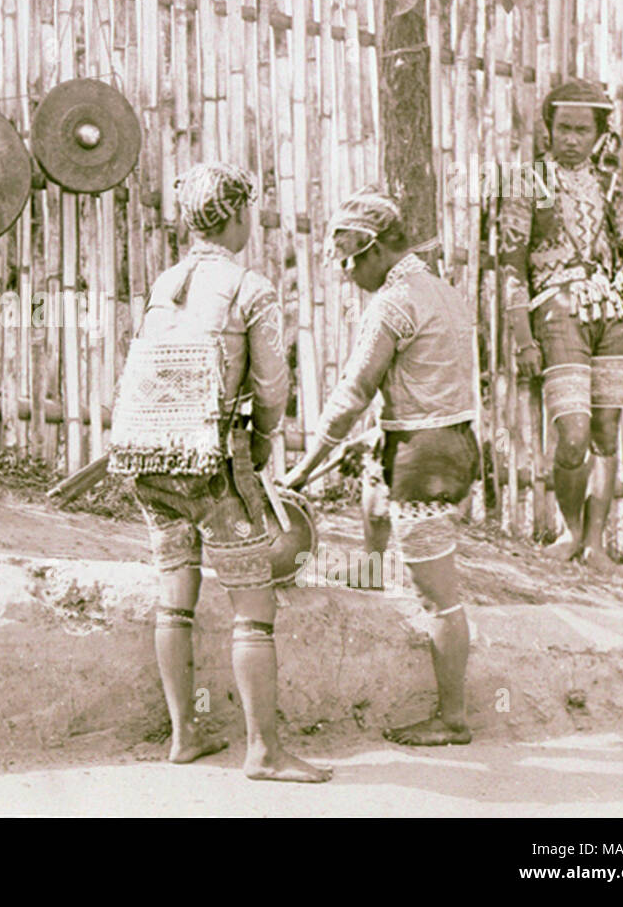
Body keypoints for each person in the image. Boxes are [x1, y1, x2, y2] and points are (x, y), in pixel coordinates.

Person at [110, 160, 331, 782]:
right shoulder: (248, 289)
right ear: (236, 215)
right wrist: (260, 447)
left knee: (174, 597)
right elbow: (270, 385)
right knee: (253, 609)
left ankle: (185, 734)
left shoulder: (165, 283)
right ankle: (264, 751)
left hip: (151, 459)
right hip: (213, 461)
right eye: (248, 213)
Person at [285, 188, 478, 746]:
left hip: (429, 454)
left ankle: (453, 717)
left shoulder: (392, 305)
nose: (346, 275)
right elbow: (434, 381)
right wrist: (380, 435)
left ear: (374, 251)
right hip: (445, 436)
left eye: (348, 263)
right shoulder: (443, 292)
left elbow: (354, 391)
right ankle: (371, 570)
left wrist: (305, 466)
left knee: (437, 593)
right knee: (374, 490)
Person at [499, 79, 623, 571]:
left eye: (581, 130)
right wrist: (523, 337)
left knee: (607, 433)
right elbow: (511, 266)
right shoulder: (528, 183)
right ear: (547, 130)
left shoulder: (611, 187)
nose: (570, 138)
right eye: (562, 128)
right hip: (556, 312)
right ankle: (569, 532)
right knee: (572, 434)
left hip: (611, 318)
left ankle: (596, 544)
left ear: (598, 134)